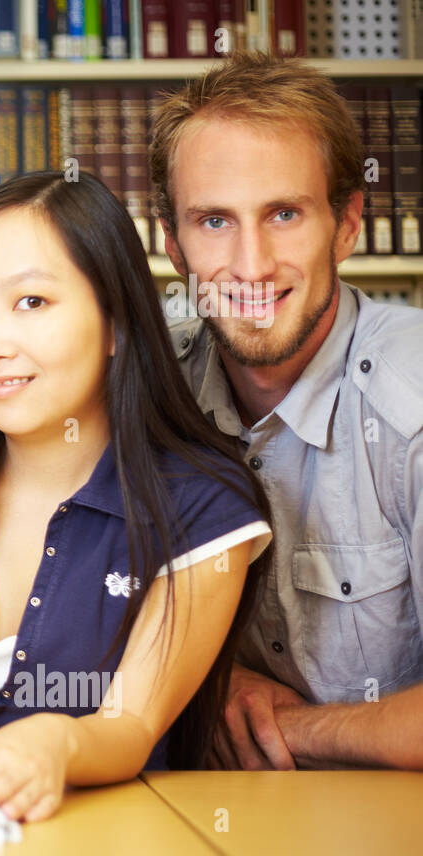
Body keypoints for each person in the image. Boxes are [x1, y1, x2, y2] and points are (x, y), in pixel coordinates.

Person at [0, 171, 274, 822]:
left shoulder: (203, 510)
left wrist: (57, 743)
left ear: (117, 323)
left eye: (31, 302)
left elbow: (132, 724)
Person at [152, 52, 423, 771]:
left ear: (347, 224)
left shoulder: (415, 407)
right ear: (172, 244)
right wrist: (217, 682)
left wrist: (300, 730)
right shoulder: (142, 395)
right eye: (214, 221)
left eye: (283, 213)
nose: (252, 264)